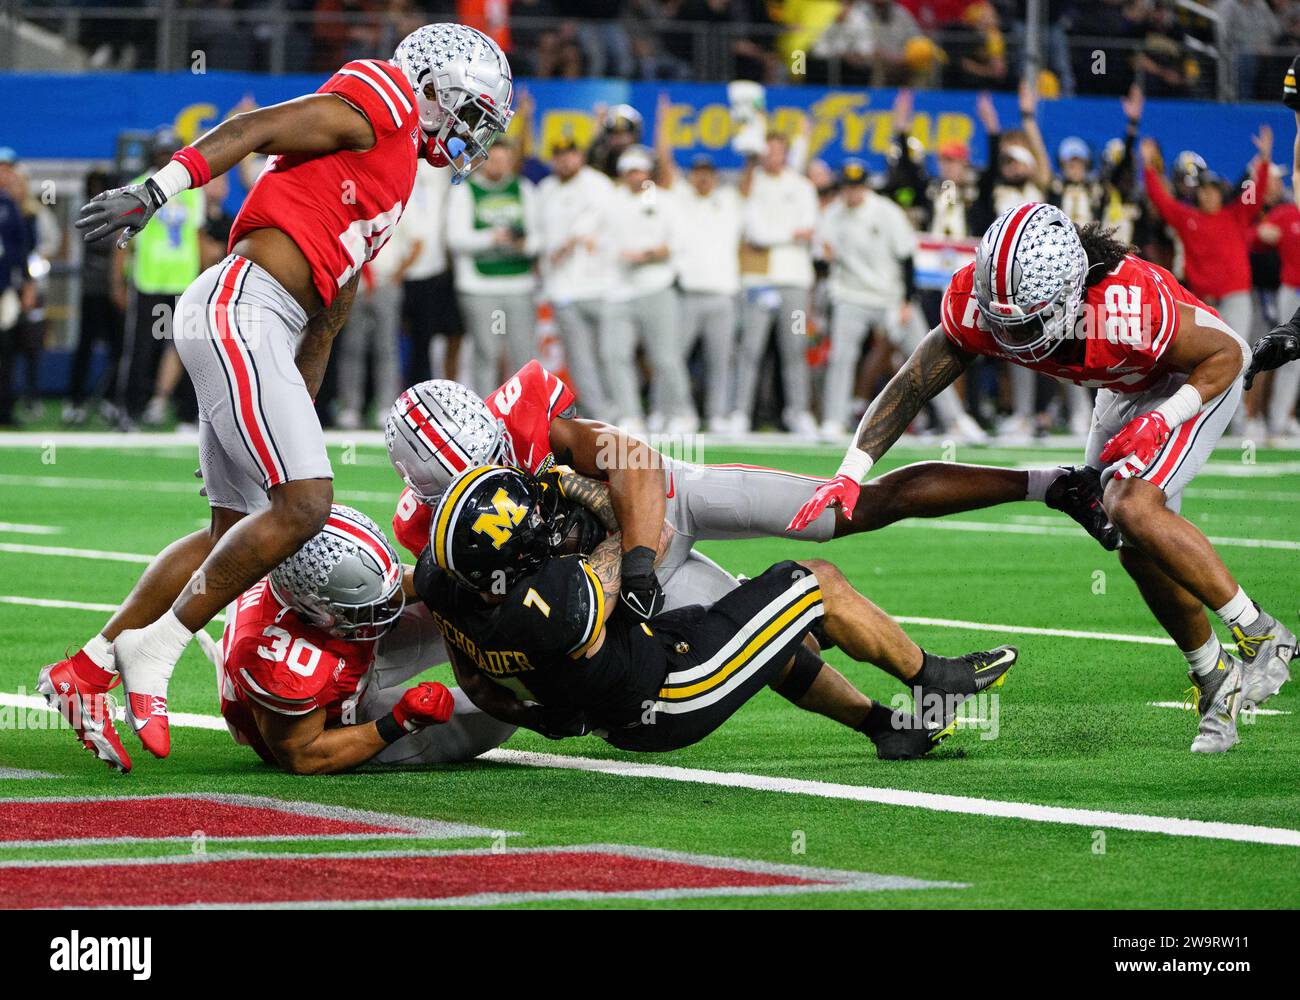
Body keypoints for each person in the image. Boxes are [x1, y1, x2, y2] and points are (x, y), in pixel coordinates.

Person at [40, 23, 515, 773]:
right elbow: (253, 128)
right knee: (305, 507)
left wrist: (292, 407)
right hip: (244, 306)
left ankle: (86, 671)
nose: (471, 135)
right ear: (436, 87)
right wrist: (155, 190)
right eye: (472, 113)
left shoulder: (392, 175)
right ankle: (152, 650)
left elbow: (330, 312)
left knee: (234, 529)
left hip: (262, 323)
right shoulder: (383, 97)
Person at [789, 204, 1296, 754]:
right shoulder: (980, 303)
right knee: (1131, 540)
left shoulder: (1124, 307)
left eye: (1025, 321)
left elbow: (1229, 353)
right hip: (1126, 384)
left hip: (1188, 381)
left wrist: (1163, 418)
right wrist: (851, 471)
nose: (1008, 335)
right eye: (999, 317)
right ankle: (1213, 676)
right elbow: (913, 384)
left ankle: (1263, 634)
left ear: (1070, 295)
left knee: (1128, 503)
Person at [413, 465, 1020, 758]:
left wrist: (546, 718)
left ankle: (888, 730)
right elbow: (640, 530)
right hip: (675, 691)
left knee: (766, 635)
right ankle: (935, 680)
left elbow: (479, 687)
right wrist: (568, 487)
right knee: (812, 583)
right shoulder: (556, 601)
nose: (547, 527)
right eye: (536, 528)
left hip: (619, 702)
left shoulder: (446, 586)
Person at [206, 504, 514, 774]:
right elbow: (304, 756)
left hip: (342, 633)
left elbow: (388, 588)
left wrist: (464, 584)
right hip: (330, 717)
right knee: (498, 716)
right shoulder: (272, 660)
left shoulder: (313, 538)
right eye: (365, 604)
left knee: (466, 604)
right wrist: (400, 721)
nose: (389, 602)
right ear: (316, 606)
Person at [1141, 127, 1272, 433]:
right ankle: (1206, 422)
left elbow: (1257, 190)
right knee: (1206, 360)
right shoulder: (1188, 220)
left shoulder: (1236, 215)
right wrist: (1148, 167)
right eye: (1203, 189)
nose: (1208, 193)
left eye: (1213, 189)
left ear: (1220, 192)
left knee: (1240, 356)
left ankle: (1239, 422)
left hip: (1236, 296)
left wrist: (1264, 160)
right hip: (1204, 302)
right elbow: (1161, 199)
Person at [113, 127, 205, 431]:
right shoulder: (137, 188)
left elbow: (198, 236)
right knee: (141, 349)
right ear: (153, 155)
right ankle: (129, 410)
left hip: (184, 281)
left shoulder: (193, 189)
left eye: (171, 153)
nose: (166, 159)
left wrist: (206, 281)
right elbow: (123, 241)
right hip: (149, 280)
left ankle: (187, 413)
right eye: (162, 153)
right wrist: (118, 281)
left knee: (190, 349)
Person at [598, 143, 693, 434]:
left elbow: (678, 242)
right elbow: (602, 241)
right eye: (628, 171)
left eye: (639, 170)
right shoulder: (612, 201)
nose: (634, 176)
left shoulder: (665, 200)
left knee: (665, 356)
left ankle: (681, 412)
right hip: (619, 288)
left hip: (656, 284)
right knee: (614, 354)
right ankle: (630, 415)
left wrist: (648, 254)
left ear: (649, 172)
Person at [733, 132, 819, 435]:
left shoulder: (802, 186)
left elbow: (808, 227)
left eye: (778, 151)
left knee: (795, 348)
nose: (772, 156)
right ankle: (740, 413)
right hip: (759, 284)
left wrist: (775, 234)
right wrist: (789, 233)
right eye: (767, 151)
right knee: (750, 350)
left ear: (785, 154)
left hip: (794, 282)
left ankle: (799, 412)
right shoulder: (752, 183)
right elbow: (753, 232)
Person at [446, 136, 539, 396]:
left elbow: (540, 238)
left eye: (504, 160)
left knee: (522, 355)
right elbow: (455, 238)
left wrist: (524, 245)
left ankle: (522, 413)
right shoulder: (464, 191)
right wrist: (492, 238)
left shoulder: (524, 189)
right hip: (479, 286)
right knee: (486, 351)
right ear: (481, 160)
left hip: (519, 284)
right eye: (493, 159)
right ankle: (487, 410)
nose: (499, 165)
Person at [534, 136, 615, 420]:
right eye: (559, 155)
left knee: (611, 354)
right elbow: (539, 236)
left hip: (603, 286)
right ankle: (601, 416)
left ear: (580, 157)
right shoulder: (545, 190)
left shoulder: (598, 184)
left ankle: (623, 410)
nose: (565, 160)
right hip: (563, 288)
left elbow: (602, 219)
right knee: (580, 361)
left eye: (570, 154)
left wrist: (572, 238)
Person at [663, 152, 741, 430]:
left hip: (722, 294)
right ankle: (677, 412)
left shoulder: (729, 201)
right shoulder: (681, 199)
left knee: (721, 360)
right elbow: (666, 165)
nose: (703, 176)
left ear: (716, 176)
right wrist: (663, 121)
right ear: (691, 175)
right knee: (672, 357)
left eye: (708, 171)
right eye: (698, 171)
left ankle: (717, 414)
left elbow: (750, 180)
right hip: (687, 293)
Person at [63, 171, 126, 426]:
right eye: (93, 187)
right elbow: (97, 240)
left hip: (116, 290)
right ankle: (75, 400)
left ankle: (110, 399)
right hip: (92, 290)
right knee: (85, 346)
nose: (97, 191)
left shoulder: (121, 212)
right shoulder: (87, 212)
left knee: (119, 347)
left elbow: (122, 245)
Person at [396, 160, 463, 385]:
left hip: (435, 270)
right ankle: (387, 396)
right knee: (391, 339)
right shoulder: (398, 161)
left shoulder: (440, 163)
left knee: (427, 339)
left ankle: (424, 390)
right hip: (397, 271)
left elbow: (465, 160)